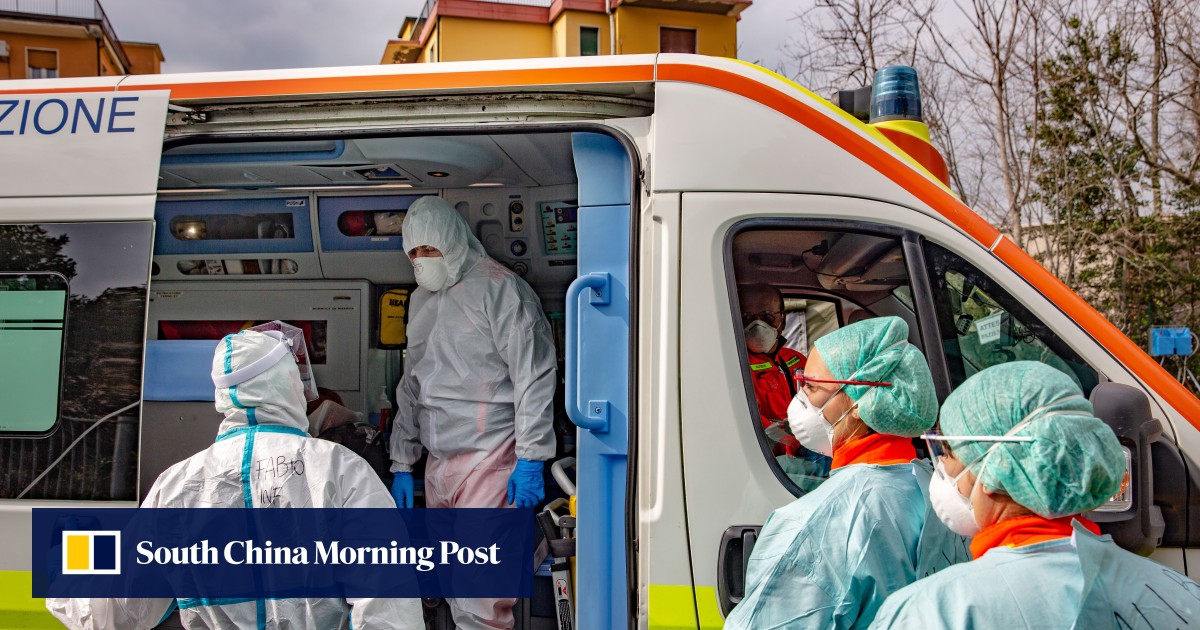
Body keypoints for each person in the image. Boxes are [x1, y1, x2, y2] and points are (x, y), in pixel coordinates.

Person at [47, 324, 423, 630]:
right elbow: (388, 603)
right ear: (290, 386)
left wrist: (64, 570)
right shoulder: (340, 470)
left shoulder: (176, 485)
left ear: (224, 396)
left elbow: (115, 611)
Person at [870, 361, 1200, 628]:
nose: (940, 467)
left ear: (994, 469)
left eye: (947, 453)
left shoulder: (931, 613)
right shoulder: (1182, 597)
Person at [724, 317, 970, 629]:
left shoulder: (811, 528)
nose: (799, 400)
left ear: (858, 402)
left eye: (811, 387)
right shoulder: (937, 490)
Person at [389, 196, 556, 630]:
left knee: (481, 599)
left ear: (453, 242)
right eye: (413, 253)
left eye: (430, 250)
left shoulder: (500, 290)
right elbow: (413, 385)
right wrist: (403, 461)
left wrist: (532, 457)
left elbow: (533, 375)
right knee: (446, 585)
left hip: (492, 459)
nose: (421, 262)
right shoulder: (422, 302)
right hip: (439, 464)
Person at [738, 283, 829, 489]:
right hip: (770, 469)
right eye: (747, 318)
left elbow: (826, 402)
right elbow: (746, 419)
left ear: (783, 319)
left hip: (809, 459)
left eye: (767, 316)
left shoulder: (797, 360)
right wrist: (792, 441)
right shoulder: (735, 366)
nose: (757, 325)